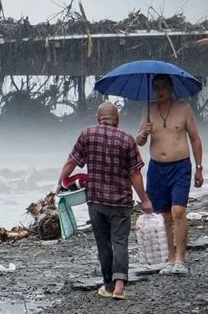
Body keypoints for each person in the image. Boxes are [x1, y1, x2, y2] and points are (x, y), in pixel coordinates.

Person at [61, 101, 153, 299]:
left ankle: (108, 285)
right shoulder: (127, 139)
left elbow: (72, 162)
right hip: (121, 201)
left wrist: (59, 184)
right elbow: (135, 173)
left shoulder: (87, 134)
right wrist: (144, 200)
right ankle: (120, 285)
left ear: (98, 118)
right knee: (120, 242)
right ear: (117, 120)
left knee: (103, 244)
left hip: (96, 200)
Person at [135, 74, 204, 275]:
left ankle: (181, 258)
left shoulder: (183, 109)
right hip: (157, 168)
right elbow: (139, 142)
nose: (160, 92)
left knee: (178, 212)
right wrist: (143, 134)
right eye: (156, 88)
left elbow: (195, 139)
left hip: (180, 166)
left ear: (171, 88)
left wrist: (199, 167)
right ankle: (170, 258)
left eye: (164, 87)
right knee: (163, 214)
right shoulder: (148, 110)